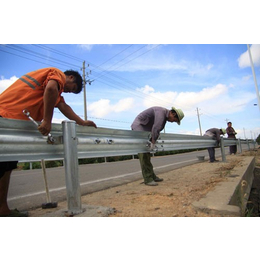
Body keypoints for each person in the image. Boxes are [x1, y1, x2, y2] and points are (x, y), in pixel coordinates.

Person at [0, 67, 97, 217]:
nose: (67, 91)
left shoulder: (56, 90)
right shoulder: (56, 73)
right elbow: (51, 89)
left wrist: (82, 122)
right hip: (4, 117)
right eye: (72, 89)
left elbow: (63, 106)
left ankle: (3, 209)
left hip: (12, 123)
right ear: (70, 77)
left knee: (6, 167)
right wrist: (47, 120)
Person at [131, 106, 184, 186]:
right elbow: (156, 128)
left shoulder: (164, 117)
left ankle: (152, 176)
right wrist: (152, 142)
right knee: (144, 154)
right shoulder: (161, 112)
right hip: (139, 127)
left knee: (147, 155)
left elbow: (157, 130)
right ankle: (148, 179)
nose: (173, 121)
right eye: (174, 119)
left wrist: (153, 141)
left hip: (145, 130)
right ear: (173, 113)